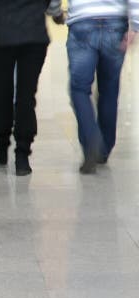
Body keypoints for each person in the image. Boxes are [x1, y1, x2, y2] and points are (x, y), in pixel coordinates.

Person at [0, 0, 65, 176]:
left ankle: (2, 147)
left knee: (2, 94)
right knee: (26, 97)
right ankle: (22, 156)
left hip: (0, 33)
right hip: (33, 34)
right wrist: (57, 14)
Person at [66, 0, 138, 174]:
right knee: (109, 90)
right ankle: (103, 149)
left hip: (81, 23)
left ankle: (92, 141)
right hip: (115, 24)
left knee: (79, 89)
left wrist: (55, 11)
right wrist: (135, 25)